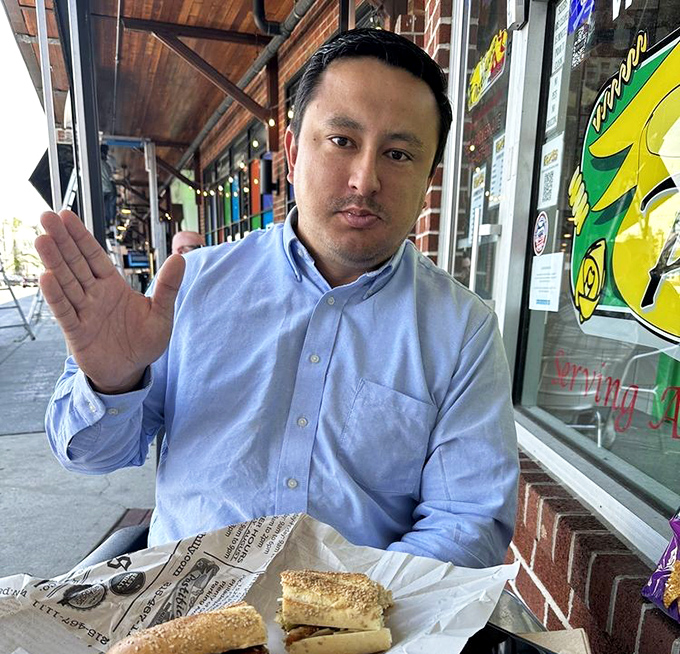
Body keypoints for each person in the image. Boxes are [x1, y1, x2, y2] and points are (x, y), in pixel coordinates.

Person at [35, 29, 519, 568]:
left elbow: (467, 521)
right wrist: (111, 382)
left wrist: (345, 618)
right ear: (292, 150)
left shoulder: (462, 330)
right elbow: (90, 455)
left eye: (399, 153)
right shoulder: (190, 286)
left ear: (430, 179)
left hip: (364, 633)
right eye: (342, 141)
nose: (365, 180)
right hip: (185, 614)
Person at [100, 144, 117, 229]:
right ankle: (110, 219)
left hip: (102, 190)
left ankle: (110, 220)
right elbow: (110, 174)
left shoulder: (95, 163)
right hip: (108, 189)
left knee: (106, 206)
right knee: (108, 205)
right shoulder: (106, 164)